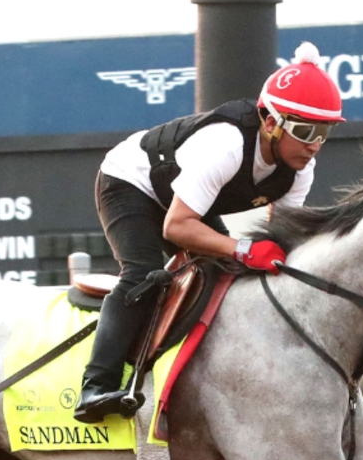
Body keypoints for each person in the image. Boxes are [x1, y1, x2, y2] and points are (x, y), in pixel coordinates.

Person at [74, 42, 346, 424]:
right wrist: (243, 248)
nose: (314, 145)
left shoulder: (300, 169)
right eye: (304, 130)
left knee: (226, 277)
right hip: (131, 182)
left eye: (324, 131)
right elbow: (177, 226)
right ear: (270, 122)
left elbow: (282, 242)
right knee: (143, 274)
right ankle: (96, 386)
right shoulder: (227, 145)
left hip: (182, 200)